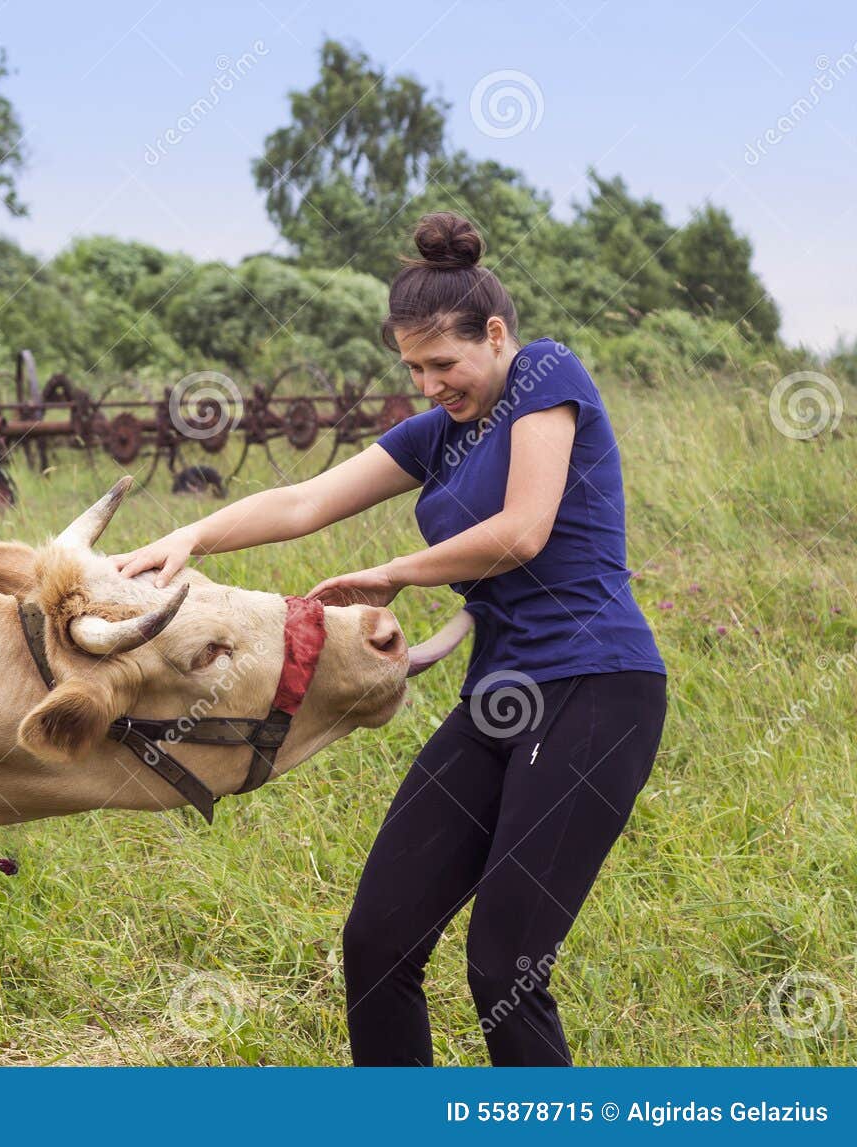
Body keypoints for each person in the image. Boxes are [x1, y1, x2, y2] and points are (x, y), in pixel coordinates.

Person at [109, 211, 667, 1066]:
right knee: (377, 942)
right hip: (502, 694)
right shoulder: (440, 434)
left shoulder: (546, 372)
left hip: (597, 686)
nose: (429, 383)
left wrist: (399, 571)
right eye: (412, 367)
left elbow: (524, 530)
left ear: (495, 334)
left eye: (443, 363)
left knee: (505, 965)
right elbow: (304, 500)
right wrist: (189, 537)